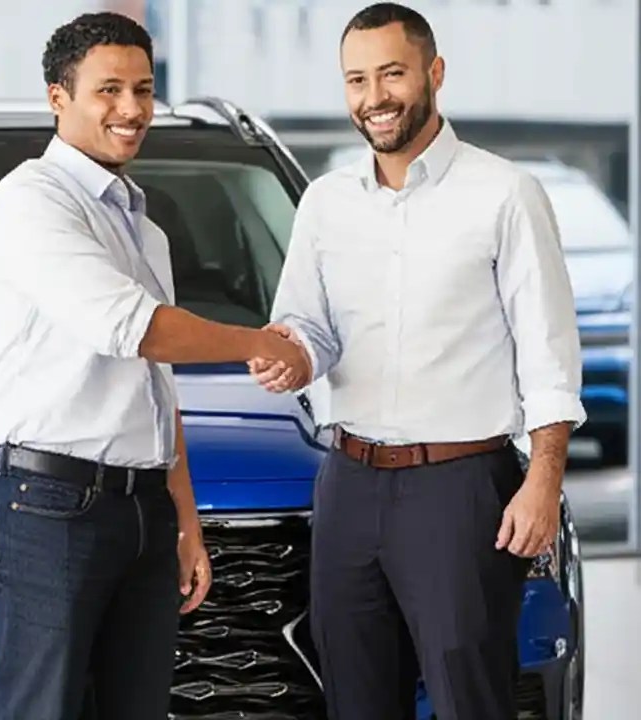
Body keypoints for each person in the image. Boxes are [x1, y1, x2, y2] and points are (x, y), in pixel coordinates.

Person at [0, 11, 311, 720]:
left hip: (142, 512)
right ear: (58, 98)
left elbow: (155, 391)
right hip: (49, 509)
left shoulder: (143, 227)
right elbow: (137, 330)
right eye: (109, 90)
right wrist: (260, 343)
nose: (131, 110)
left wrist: (185, 521)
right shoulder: (29, 202)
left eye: (144, 89)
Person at [251, 3, 586, 719]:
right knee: (356, 696)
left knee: (470, 696)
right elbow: (308, 326)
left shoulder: (505, 194)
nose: (374, 98)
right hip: (347, 482)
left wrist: (544, 482)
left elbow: (549, 352)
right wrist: (293, 358)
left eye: (392, 74)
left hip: (461, 489)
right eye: (356, 80)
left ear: (434, 73)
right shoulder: (325, 202)